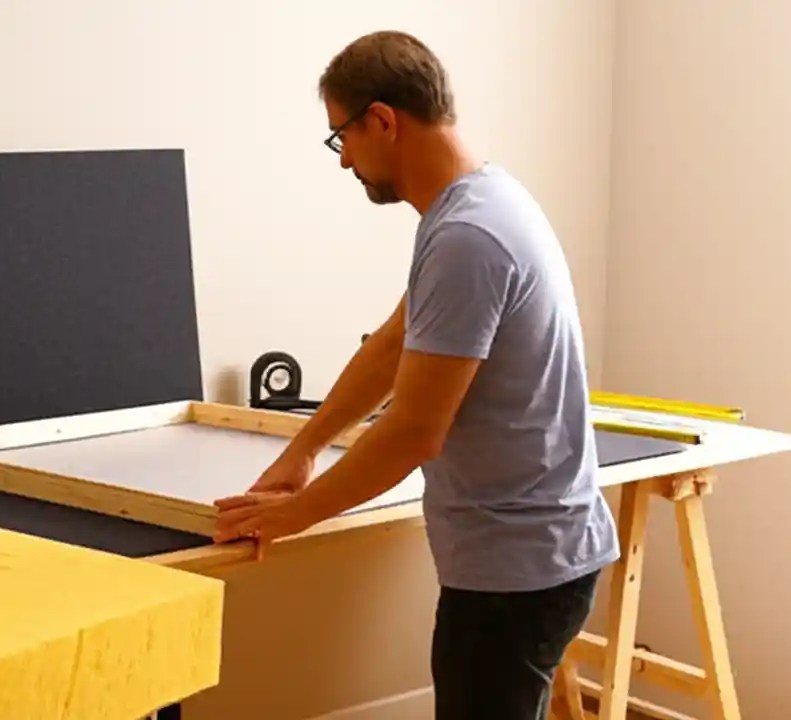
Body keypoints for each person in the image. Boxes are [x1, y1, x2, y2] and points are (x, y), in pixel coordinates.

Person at [211, 30, 619, 719]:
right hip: (528, 559)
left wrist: (293, 516)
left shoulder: (469, 236)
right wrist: (303, 451)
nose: (343, 160)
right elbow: (395, 344)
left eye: (342, 135)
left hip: (516, 571)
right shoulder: (473, 207)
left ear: (383, 120)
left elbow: (412, 433)